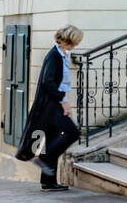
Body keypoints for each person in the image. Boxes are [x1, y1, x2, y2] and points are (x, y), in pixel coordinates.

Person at [16, 26, 84, 192]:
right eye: (74, 42)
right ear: (68, 40)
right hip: (50, 105)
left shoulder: (60, 55)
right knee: (72, 132)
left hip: (54, 103)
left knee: (53, 139)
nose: (75, 46)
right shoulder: (55, 56)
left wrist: (65, 102)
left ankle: (48, 182)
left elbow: (60, 83)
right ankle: (44, 159)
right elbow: (48, 82)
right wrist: (63, 102)